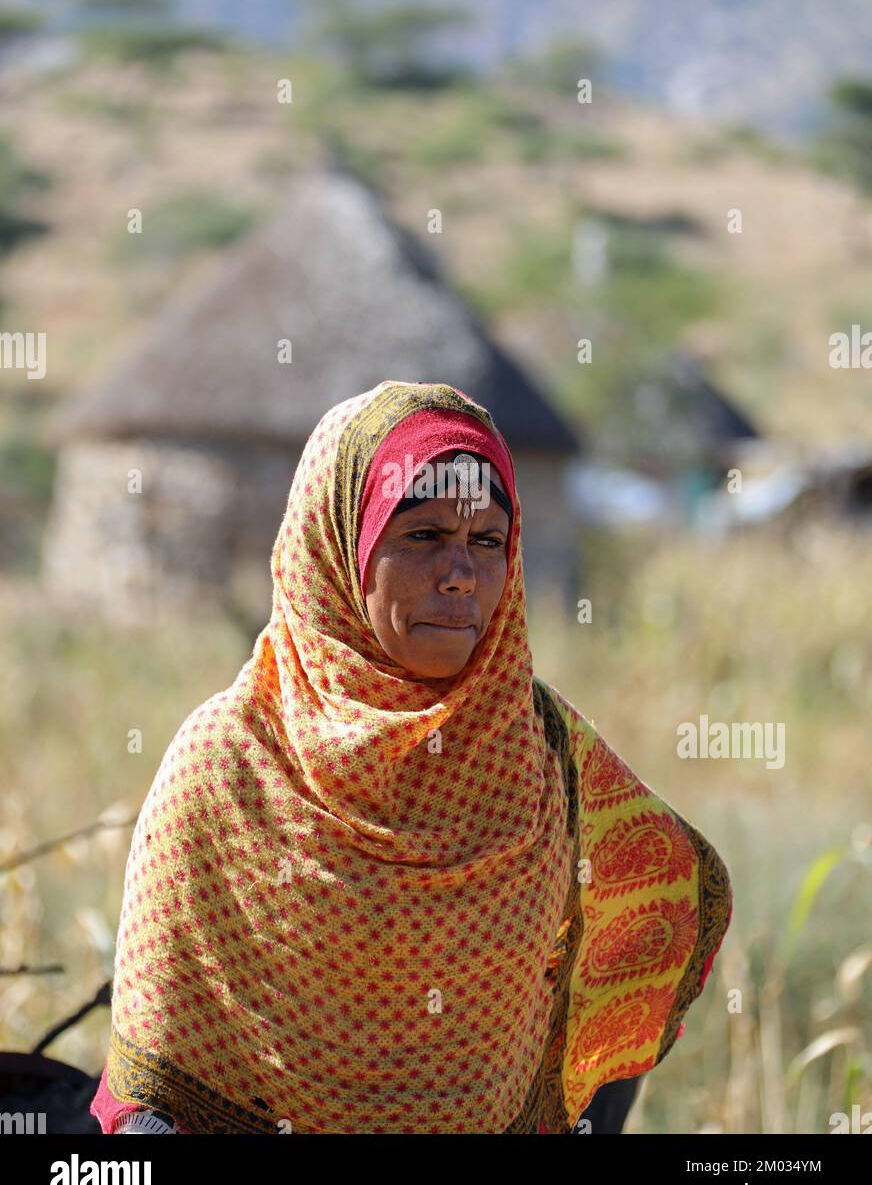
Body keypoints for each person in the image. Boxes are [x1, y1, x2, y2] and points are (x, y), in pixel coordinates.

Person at [90, 378, 732, 1135]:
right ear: (336, 549)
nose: (460, 574)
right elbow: (155, 1091)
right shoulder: (230, 763)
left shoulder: (546, 755)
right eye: (423, 536)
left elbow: (650, 916)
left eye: (487, 541)